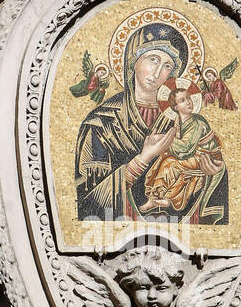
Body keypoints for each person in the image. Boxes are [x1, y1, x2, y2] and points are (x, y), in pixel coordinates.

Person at [74, 21, 228, 225]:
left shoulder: (185, 118)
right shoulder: (101, 123)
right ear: (133, 62)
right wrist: (143, 159)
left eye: (167, 66)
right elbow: (87, 202)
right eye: (152, 59)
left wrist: (211, 174)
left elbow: (212, 162)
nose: (157, 73)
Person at [144, 78, 226, 219]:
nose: (188, 102)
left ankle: (167, 198)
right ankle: (155, 198)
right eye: (182, 100)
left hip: (206, 158)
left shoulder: (197, 122)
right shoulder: (178, 122)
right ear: (175, 107)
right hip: (193, 156)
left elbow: (186, 148)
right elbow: (179, 148)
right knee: (163, 160)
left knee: (171, 164)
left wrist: (163, 139)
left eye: (189, 98)